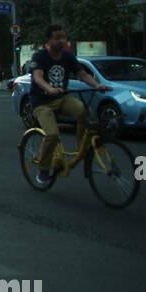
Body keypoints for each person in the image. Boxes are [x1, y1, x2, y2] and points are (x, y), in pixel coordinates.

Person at [29, 25, 111, 186]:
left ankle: (82, 148)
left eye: (64, 37)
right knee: (52, 135)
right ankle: (43, 169)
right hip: (42, 102)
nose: (62, 41)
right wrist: (49, 88)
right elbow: (37, 77)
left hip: (62, 98)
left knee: (84, 111)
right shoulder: (39, 56)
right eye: (57, 37)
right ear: (49, 40)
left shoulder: (68, 56)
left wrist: (96, 85)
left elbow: (82, 74)